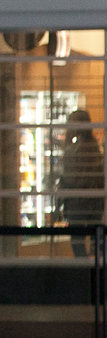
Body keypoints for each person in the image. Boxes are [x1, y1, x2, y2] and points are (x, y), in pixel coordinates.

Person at [58, 110, 105, 257]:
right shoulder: (95, 147)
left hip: (77, 202)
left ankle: (85, 267)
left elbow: (69, 178)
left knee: (77, 240)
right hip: (94, 201)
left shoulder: (74, 150)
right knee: (96, 240)